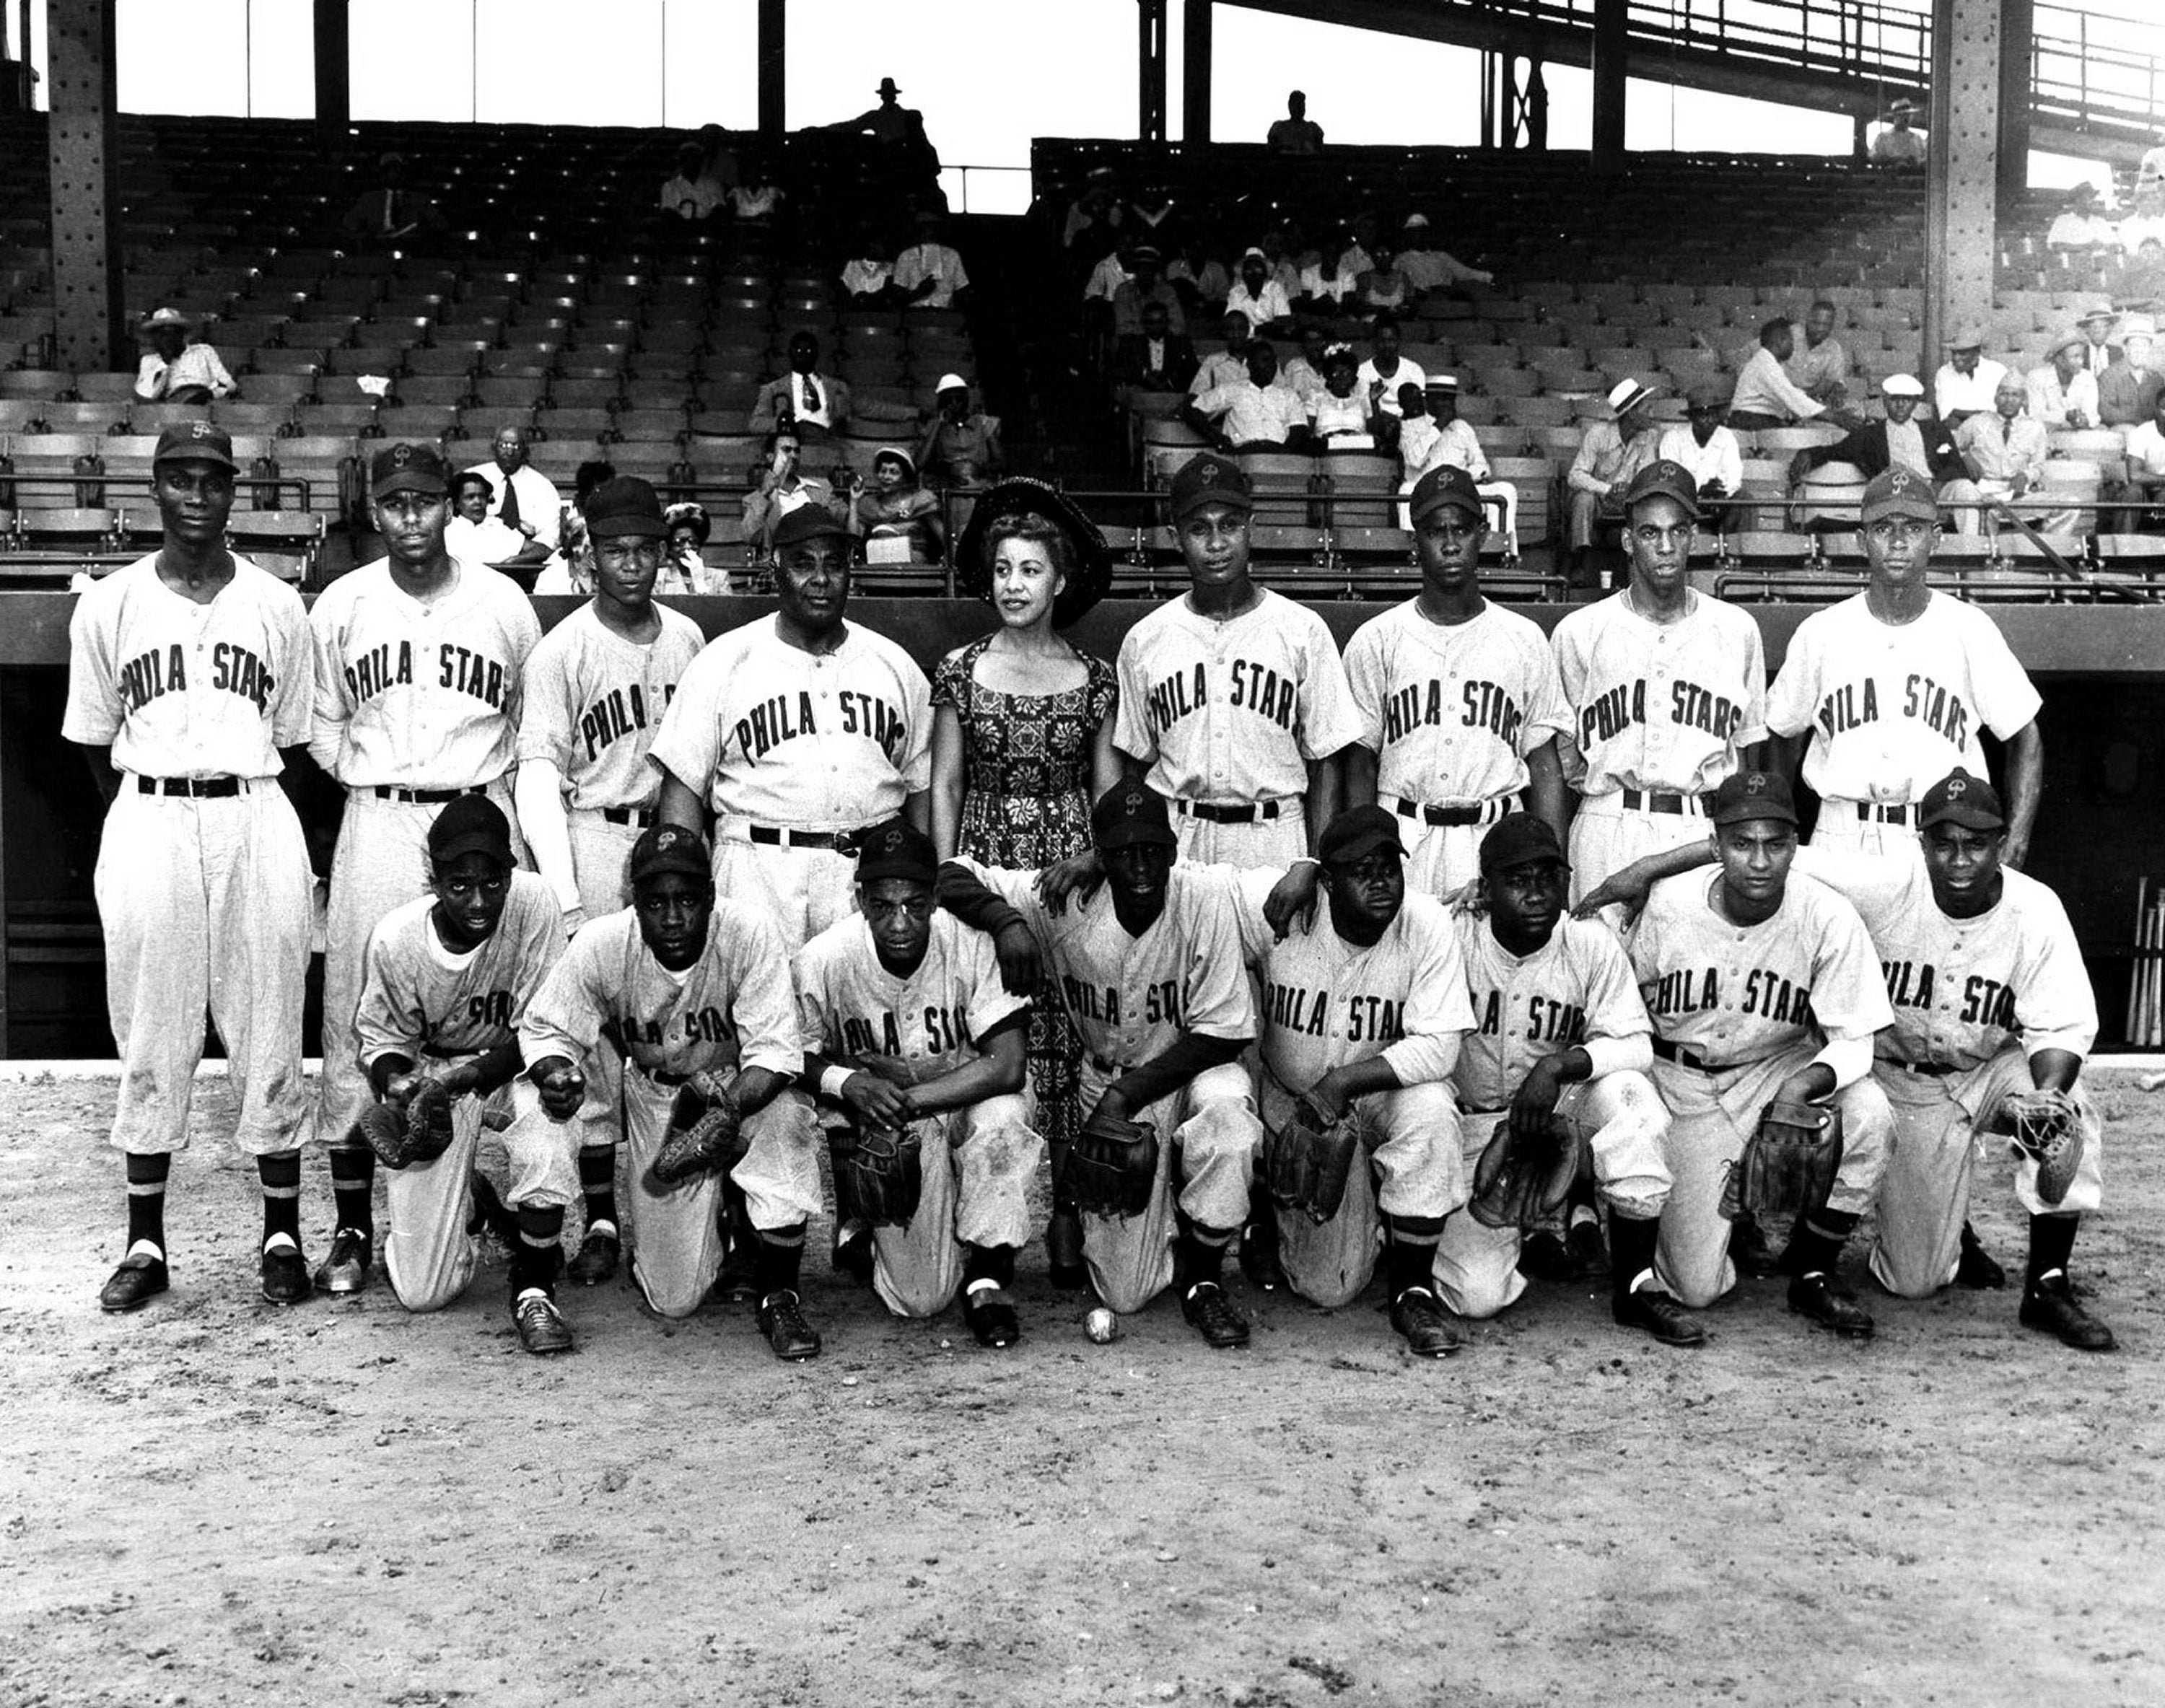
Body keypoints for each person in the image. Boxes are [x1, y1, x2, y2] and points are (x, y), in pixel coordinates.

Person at [1586, 768, 2114, 1352]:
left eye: (1977, 843)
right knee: (1913, 1279)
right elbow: (1760, 850)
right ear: (1922, 843)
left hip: (1988, 1070)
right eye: (1945, 843)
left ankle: (2047, 1283)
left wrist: (2045, 1096)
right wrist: (1644, 870)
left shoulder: (2037, 909)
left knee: (2068, 1109)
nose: (1960, 859)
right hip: (1900, 1080)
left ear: (2002, 843)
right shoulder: (1884, 881)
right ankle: (1928, 1219)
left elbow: (2062, 1024)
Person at [64, 423, 317, 1313]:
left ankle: (282, 1234)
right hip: (150, 811)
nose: (197, 495)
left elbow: (294, 737)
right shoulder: (109, 603)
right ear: (156, 489)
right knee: (150, 1024)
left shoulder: (277, 603)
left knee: (270, 1017)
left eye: (212, 479)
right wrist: (148, 808)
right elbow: (94, 740)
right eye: (180, 478)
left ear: (233, 490)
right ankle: (145, 1242)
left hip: (253, 807)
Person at [305, 443, 542, 1297]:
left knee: (499, 1007)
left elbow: (527, 720)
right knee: (356, 1017)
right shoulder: (342, 603)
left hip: (478, 814)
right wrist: (372, 785)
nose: (411, 517)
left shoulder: (504, 603)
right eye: (395, 502)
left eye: (426, 500)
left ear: (451, 505)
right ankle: (353, 1225)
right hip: (380, 812)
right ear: (375, 511)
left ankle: (496, 1195)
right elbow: (322, 727)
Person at [935, 783, 1266, 1346]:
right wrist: (1007, 921)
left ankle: (1204, 1278)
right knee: (1125, 1292)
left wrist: (1123, 1096)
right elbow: (948, 875)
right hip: (1111, 1081)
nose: (1140, 866)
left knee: (1228, 1112)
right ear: (1101, 857)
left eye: (1151, 850)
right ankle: (1168, 1219)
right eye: (1123, 852)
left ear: (1172, 850)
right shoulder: (1062, 900)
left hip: (1187, 1074)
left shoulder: (1206, 895)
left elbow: (1221, 1035)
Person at [520, 823, 823, 1355]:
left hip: (737, 1087)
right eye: (656, 903)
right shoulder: (603, 942)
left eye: (687, 899)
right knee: (675, 1298)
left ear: (711, 894)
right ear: (634, 902)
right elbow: (546, 1028)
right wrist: (555, 1071)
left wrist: (721, 1112)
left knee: (788, 1117)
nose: (674, 917)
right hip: (657, 1094)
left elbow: (776, 1055)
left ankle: (780, 1294)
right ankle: (724, 1220)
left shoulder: (748, 932)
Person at [513, 476, 708, 1289]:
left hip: (677, 837)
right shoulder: (562, 649)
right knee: (593, 1036)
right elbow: (536, 776)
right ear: (589, 555)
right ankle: (598, 1217)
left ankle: (687, 1203)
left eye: (645, 550)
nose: (631, 565)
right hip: (596, 830)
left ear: (665, 554)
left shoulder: (689, 637)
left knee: (679, 1021)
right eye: (616, 550)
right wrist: (564, 894)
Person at [1622, 770, 1896, 1338]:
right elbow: (1614, 995)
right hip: (1683, 1081)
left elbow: (1856, 1041)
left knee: (1868, 1111)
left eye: (1775, 844)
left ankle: (1813, 1269)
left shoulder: (1827, 914)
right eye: (1742, 844)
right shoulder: (1669, 904)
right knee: (1695, 1288)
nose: (1760, 861)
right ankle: (1708, 1217)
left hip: (1775, 1067)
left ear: (1796, 845)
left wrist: (1800, 1086)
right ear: (1715, 844)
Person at [932, 480, 1119, 1289]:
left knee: (1068, 1041)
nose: (1014, 584)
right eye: (1003, 568)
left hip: (1066, 876)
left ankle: (1068, 1214)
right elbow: (945, 781)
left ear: (1060, 580)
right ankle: (988, 1227)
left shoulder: (1096, 678)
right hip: (984, 866)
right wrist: (950, 872)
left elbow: (1106, 788)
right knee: (991, 1035)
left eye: (1031, 570)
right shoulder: (960, 670)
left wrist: (1098, 859)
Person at [1219, 807, 1474, 1354]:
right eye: (1362, 870)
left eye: (1389, 867)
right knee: (1329, 1288)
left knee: (1433, 1109)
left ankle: (1412, 1290)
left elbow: (1440, 1047)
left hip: (1379, 1099)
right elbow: (1190, 885)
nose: (1381, 881)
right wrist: (1303, 865)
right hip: (1294, 1105)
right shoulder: (1284, 902)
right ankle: (1268, 1205)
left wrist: (1339, 1084)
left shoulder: (1426, 922)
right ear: (1329, 882)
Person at [795, 821, 1038, 1345]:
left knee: (1004, 1119)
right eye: (883, 906)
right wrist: (845, 1082)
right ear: (862, 900)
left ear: (935, 899)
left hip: (967, 1098)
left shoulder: (972, 944)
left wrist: (908, 1099)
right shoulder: (826, 958)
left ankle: (990, 1274)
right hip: (896, 1126)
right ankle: (872, 1229)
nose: (900, 922)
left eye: (914, 905)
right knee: (919, 1299)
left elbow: (1007, 1065)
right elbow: (789, 1054)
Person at [650, 504, 932, 956]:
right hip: (757, 872)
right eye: (804, 563)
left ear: (850, 573)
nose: (820, 578)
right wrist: (684, 889)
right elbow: (682, 788)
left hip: (869, 873)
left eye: (833, 564)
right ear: (775, 569)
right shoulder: (723, 661)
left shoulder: (894, 664)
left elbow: (922, 788)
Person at [1437, 814, 1677, 1335]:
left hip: (1558, 1116)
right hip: (1473, 1127)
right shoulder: (1450, 934)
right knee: (1477, 1296)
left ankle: (1636, 1285)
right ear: (1484, 889)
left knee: (1632, 1097)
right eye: (1518, 880)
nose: (1537, 893)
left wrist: (1558, 1065)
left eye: (1549, 877)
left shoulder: (1587, 941)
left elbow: (1636, 1044)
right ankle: (1542, 1224)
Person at [348, 798, 569, 1348]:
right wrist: (398, 1082)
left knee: (550, 1111)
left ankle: (535, 1286)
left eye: (492, 884)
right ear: (434, 879)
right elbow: (381, 1041)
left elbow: (543, 1027)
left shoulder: (534, 902)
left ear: (510, 874)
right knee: (424, 1291)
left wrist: (471, 1075)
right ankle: (471, 1201)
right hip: (436, 1076)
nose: (477, 901)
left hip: (512, 1064)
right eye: (459, 885)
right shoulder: (396, 938)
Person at [1762, 466, 2042, 862]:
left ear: (1936, 538)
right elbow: (1781, 731)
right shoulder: (1821, 632)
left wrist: (2017, 840)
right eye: (1882, 529)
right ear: (1861, 540)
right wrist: (1776, 828)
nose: (1897, 542)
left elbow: (2025, 736)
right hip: (1841, 833)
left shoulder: (1971, 629)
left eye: (1913, 528)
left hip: (1939, 836)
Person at [1113, 455, 1361, 866]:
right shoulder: (1145, 639)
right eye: (1199, 529)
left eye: (1229, 525)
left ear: (1251, 527)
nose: (1216, 544)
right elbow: (1136, 766)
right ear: (1175, 538)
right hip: (1179, 834)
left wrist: (1313, 863)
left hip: (1274, 835)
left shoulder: (1303, 629)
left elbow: (1325, 762)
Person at [1342, 466, 1569, 898]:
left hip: (1497, 837)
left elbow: (1544, 766)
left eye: (1461, 530)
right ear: (1414, 542)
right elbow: (1361, 765)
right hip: (1405, 838)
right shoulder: (1377, 639)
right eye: (1435, 532)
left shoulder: (1524, 639)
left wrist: (1553, 866)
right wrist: (1367, 856)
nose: (1449, 545)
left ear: (1483, 534)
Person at [1549, 460, 1768, 901]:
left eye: (1677, 531)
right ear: (1628, 540)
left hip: (1699, 828)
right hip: (1606, 823)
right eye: (1650, 533)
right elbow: (1559, 762)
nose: (1665, 546)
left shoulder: (1737, 629)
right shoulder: (1579, 632)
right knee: (1595, 945)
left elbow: (1748, 755)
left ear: (1694, 537)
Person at [1785, 373, 1967, 496]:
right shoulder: (1870, 435)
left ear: (1915, 403)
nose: (1901, 405)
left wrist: (1937, 486)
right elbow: (1834, 451)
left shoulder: (1935, 430)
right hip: (1898, 492)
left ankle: (1970, 542)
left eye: (1906, 399)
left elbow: (1956, 466)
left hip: (1934, 488)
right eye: (1895, 399)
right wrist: (1808, 453)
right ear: (1885, 401)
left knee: (1965, 489)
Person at [1563, 378, 1665, 585]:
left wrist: (1630, 491)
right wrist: (1608, 489)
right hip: (1599, 499)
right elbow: (1575, 475)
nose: (1651, 413)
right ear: (1631, 413)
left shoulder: (1648, 438)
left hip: (1627, 500)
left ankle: (1641, 571)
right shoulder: (1598, 434)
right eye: (1646, 408)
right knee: (1583, 499)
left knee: (1648, 502)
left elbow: (1647, 477)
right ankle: (1579, 561)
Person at [1946, 372, 2071, 537]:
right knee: (1964, 489)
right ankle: (1973, 547)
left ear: (2023, 400)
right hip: (1979, 492)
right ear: (1995, 398)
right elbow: (1949, 445)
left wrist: (2026, 476)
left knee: (2069, 504)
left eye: (2015, 395)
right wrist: (1965, 457)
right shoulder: (1977, 422)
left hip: (2014, 496)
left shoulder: (2035, 428)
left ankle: (2047, 548)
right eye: (2004, 394)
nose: (2009, 400)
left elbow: (2039, 466)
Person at [1396, 375, 1518, 540]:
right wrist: (1439, 426)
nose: (1448, 405)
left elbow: (1482, 466)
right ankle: (1411, 549)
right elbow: (1414, 460)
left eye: (1450, 400)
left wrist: (1465, 475)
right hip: (1426, 488)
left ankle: (1502, 547)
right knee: (1406, 490)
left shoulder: (1463, 427)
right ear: (1428, 401)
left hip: (1460, 488)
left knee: (1505, 490)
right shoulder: (1411, 426)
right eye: (1442, 400)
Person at [1181, 341, 1311, 452]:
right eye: (1265, 360)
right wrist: (1217, 438)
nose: (1271, 366)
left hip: (1278, 457)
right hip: (1242, 455)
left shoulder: (1288, 395)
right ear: (1250, 364)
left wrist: (1283, 454)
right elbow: (1192, 410)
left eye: (1273, 361)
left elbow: (1299, 428)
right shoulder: (1232, 390)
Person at [740, 426, 848, 559]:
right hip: (779, 561)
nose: (794, 455)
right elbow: (750, 537)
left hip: (817, 557)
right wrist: (765, 493)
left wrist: (854, 501)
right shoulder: (754, 500)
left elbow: (848, 526)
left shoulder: (820, 489)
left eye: (797, 451)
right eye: (787, 450)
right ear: (770, 457)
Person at [1655, 377, 1746, 530]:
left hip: (1720, 505)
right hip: (1686, 507)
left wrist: (1719, 490)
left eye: (1713, 415)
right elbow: (1670, 480)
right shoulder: (1673, 438)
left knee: (1744, 498)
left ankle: (1739, 543)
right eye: (1703, 415)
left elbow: (1734, 476)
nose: (1709, 420)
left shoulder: (1726, 436)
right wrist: (1699, 491)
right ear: (1691, 417)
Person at [461, 425, 561, 558]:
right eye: (504, 445)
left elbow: (549, 537)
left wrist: (521, 560)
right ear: (493, 448)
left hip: (528, 558)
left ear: (526, 451)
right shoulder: (471, 478)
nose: (509, 452)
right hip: (476, 552)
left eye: (516, 446)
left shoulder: (542, 486)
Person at [1726, 318, 1842, 432]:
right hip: (1751, 421)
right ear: (1780, 341)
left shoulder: (1768, 362)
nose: (1793, 347)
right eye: (1791, 342)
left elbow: (1789, 393)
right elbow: (1793, 398)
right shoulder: (1766, 365)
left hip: (1754, 419)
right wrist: (1834, 417)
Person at [849, 447, 944, 566]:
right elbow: (853, 539)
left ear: (905, 477)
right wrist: (854, 501)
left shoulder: (920, 499)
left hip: (915, 569)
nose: (886, 477)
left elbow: (943, 537)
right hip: (878, 567)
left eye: (893, 472)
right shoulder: (870, 504)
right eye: (883, 471)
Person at [751, 332, 852, 440]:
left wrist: (842, 424)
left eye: (809, 351)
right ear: (790, 354)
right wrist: (783, 423)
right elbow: (755, 424)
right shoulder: (773, 389)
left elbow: (848, 420)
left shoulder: (838, 387)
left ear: (817, 354)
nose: (804, 356)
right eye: (799, 351)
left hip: (828, 443)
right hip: (790, 441)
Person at [340, 150, 445, 247]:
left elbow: (439, 224)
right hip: (377, 247)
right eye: (389, 170)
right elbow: (350, 223)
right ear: (382, 174)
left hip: (411, 247)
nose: (394, 174)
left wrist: (422, 232)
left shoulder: (419, 199)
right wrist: (368, 235)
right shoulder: (369, 199)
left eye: (397, 170)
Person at [132, 307, 235, 405]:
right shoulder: (149, 361)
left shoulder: (203, 351)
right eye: (163, 335)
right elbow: (147, 396)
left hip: (206, 401)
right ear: (155, 338)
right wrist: (165, 363)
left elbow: (230, 385)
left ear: (181, 334)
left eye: (172, 333)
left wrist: (210, 394)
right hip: (173, 407)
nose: (168, 339)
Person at [916, 374, 1003, 489]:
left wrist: (979, 468)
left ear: (966, 399)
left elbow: (1001, 463)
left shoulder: (984, 423)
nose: (954, 403)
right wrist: (938, 423)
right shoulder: (934, 426)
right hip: (948, 486)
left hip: (980, 484)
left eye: (959, 399)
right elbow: (920, 463)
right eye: (949, 400)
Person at [1109, 298, 1199, 398]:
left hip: (1172, 393)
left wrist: (1169, 380)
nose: (1156, 326)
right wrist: (1145, 374)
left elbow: (1193, 370)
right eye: (1151, 322)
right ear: (1143, 323)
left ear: (1167, 322)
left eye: (1160, 322)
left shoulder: (1180, 343)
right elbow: (1119, 371)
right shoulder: (1131, 343)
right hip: (1140, 392)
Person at [445, 471, 529, 574]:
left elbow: (541, 550)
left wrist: (513, 561)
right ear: (457, 503)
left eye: (482, 496)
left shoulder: (496, 527)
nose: (478, 502)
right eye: (470, 497)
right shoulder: (448, 529)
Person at [1395, 212, 1496, 296]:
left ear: (1427, 234)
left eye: (1420, 231)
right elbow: (1393, 284)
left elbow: (1465, 273)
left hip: (1445, 305)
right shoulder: (1401, 260)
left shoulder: (1442, 257)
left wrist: (1490, 277)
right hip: (1421, 306)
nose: (1417, 235)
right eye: (1413, 232)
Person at [1932, 328, 2008, 430]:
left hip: (1994, 429)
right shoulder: (1945, 373)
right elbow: (1947, 412)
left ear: (1977, 352)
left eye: (1962, 353)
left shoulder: (1997, 371)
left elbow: (2004, 411)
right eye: (1954, 353)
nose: (1956, 358)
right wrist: (1984, 414)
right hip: (1960, 429)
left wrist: (1960, 413)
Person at [893, 209, 971, 310]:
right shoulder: (907, 256)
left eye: (932, 227)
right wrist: (919, 293)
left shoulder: (951, 255)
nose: (929, 232)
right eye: (924, 227)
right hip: (915, 314)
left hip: (944, 314)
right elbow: (897, 297)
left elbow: (963, 291)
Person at [2095, 313, 2163, 428]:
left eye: (2144, 345)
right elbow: (2105, 411)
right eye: (2134, 345)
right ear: (2125, 349)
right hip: (2120, 429)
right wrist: (2137, 418)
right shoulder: (2109, 376)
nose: (2139, 351)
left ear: (2150, 349)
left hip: (2150, 430)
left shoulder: (2156, 379)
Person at [1355, 315, 1425, 422]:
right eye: (1382, 341)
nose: (1387, 345)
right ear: (1374, 343)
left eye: (1391, 340)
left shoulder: (1414, 370)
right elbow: (1364, 410)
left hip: (1408, 424)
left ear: (1399, 342)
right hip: (1374, 424)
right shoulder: (1362, 372)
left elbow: (1420, 409)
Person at [2026, 333, 2101, 430]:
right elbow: (2036, 414)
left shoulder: (2088, 378)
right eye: (2075, 357)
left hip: (2080, 433)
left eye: (2082, 356)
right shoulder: (2037, 377)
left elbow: (2092, 416)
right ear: (2059, 359)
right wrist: (2066, 416)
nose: (2081, 362)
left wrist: (2085, 421)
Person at [1110, 242, 1185, 339]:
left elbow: (1178, 326)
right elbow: (1123, 328)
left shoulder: (1167, 292)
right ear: (1135, 270)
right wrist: (1155, 329)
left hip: (1163, 342)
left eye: (1149, 268)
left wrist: (1154, 332)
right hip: (1134, 344)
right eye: (1141, 268)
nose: (1145, 272)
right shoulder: (1123, 291)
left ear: (1155, 270)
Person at [1788, 300, 1854, 406]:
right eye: (1816, 323)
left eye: (1825, 325)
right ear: (1808, 320)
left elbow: (1836, 381)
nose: (1820, 329)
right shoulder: (1789, 336)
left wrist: (1837, 390)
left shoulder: (1833, 349)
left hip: (1807, 402)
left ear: (1832, 326)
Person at [2118, 386, 2165, 531]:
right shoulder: (2141, 433)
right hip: (2145, 490)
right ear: (2156, 409)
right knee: (2132, 492)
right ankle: (2123, 542)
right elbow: (2134, 475)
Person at [662, 500, 729, 595]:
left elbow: (726, 604)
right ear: (670, 547)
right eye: (680, 542)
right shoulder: (659, 579)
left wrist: (700, 583)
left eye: (693, 541)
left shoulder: (719, 578)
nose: (687, 547)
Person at [1225, 248, 1295, 334]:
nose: (1253, 272)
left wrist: (1258, 331)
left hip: (1272, 338)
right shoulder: (1236, 292)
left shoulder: (1276, 289)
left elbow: (1283, 321)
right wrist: (1259, 330)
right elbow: (1231, 322)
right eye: (1248, 269)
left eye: (1257, 268)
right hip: (1244, 339)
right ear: (1243, 274)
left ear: (1265, 272)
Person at [658, 141, 726, 224]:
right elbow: (667, 212)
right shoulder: (670, 186)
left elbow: (719, 209)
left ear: (700, 162)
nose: (691, 163)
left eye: (695, 158)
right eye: (687, 159)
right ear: (681, 162)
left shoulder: (713, 185)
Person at [1869, 98, 1927, 167]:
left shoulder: (1917, 139)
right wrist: (1893, 160)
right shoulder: (1883, 138)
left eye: (1909, 115)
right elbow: (1873, 157)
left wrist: (1917, 162)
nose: (1907, 118)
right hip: (1890, 173)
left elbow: (1925, 159)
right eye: (1903, 115)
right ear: (1895, 117)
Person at [1266, 89, 1324, 154]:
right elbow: (1271, 152)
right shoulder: (1278, 128)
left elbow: (1320, 153)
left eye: (1301, 104)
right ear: (1290, 106)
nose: (1299, 108)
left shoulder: (1314, 128)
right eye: (1296, 104)